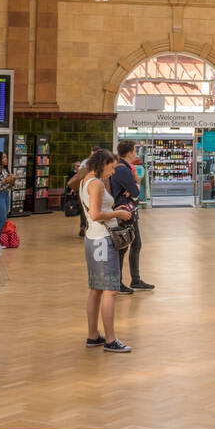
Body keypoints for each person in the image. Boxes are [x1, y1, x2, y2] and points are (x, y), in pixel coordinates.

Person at [81, 148, 134, 352]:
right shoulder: (96, 184)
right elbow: (95, 214)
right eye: (111, 168)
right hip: (102, 240)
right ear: (102, 164)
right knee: (110, 291)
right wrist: (118, 213)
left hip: (92, 238)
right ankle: (111, 340)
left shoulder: (87, 179)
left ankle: (93, 335)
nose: (112, 172)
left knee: (96, 289)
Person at [111, 140, 153, 293]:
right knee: (124, 247)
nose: (136, 153)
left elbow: (134, 191)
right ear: (129, 153)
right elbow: (135, 192)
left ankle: (135, 280)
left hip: (129, 211)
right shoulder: (123, 170)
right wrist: (135, 185)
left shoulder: (124, 168)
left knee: (136, 244)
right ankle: (119, 283)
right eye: (135, 150)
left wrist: (133, 187)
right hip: (125, 212)